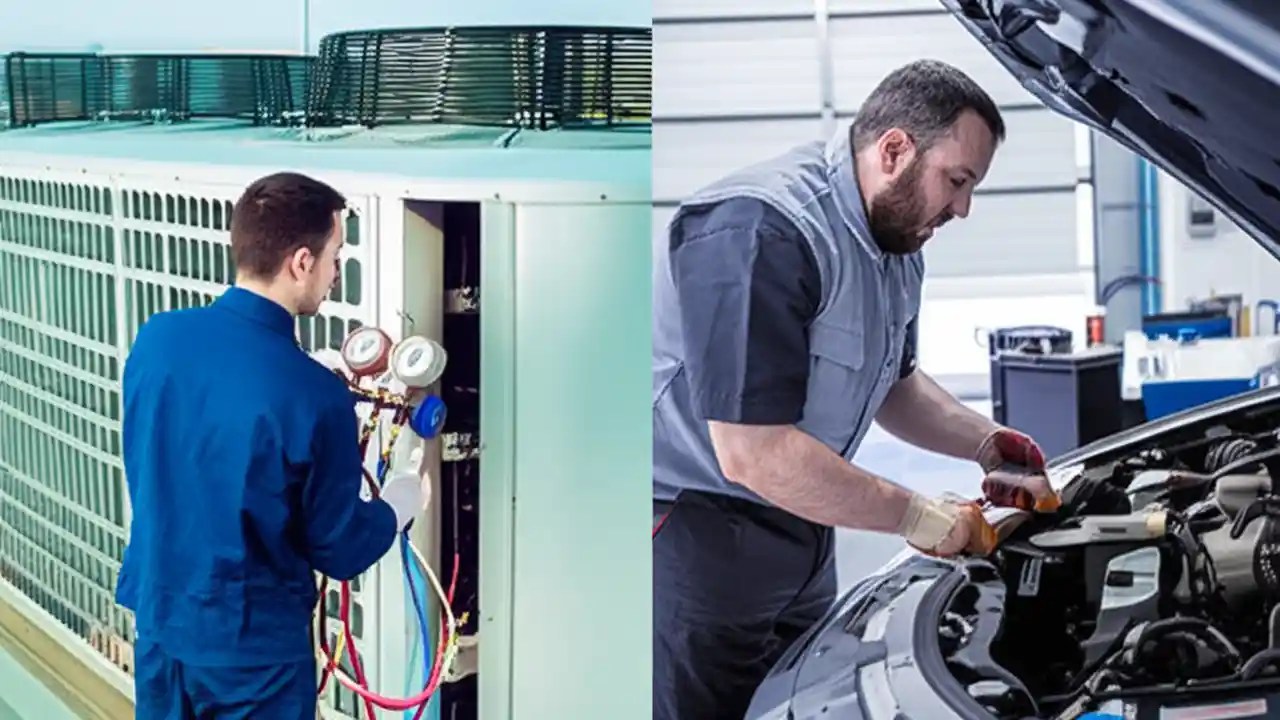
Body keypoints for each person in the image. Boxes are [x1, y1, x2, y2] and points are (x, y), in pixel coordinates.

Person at [651, 59, 1049, 719]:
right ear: (894, 149)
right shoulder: (761, 231)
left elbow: (895, 385)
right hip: (701, 533)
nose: (963, 209)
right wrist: (918, 516)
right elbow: (754, 454)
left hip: (808, 518)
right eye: (957, 181)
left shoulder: (894, 246)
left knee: (795, 703)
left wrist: (987, 443)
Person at [115, 172, 427, 719]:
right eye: (335, 256)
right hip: (253, 656)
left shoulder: (157, 337)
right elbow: (339, 548)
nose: (334, 274)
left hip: (162, 623)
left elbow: (168, 458)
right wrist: (396, 508)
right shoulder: (313, 394)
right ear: (301, 261)